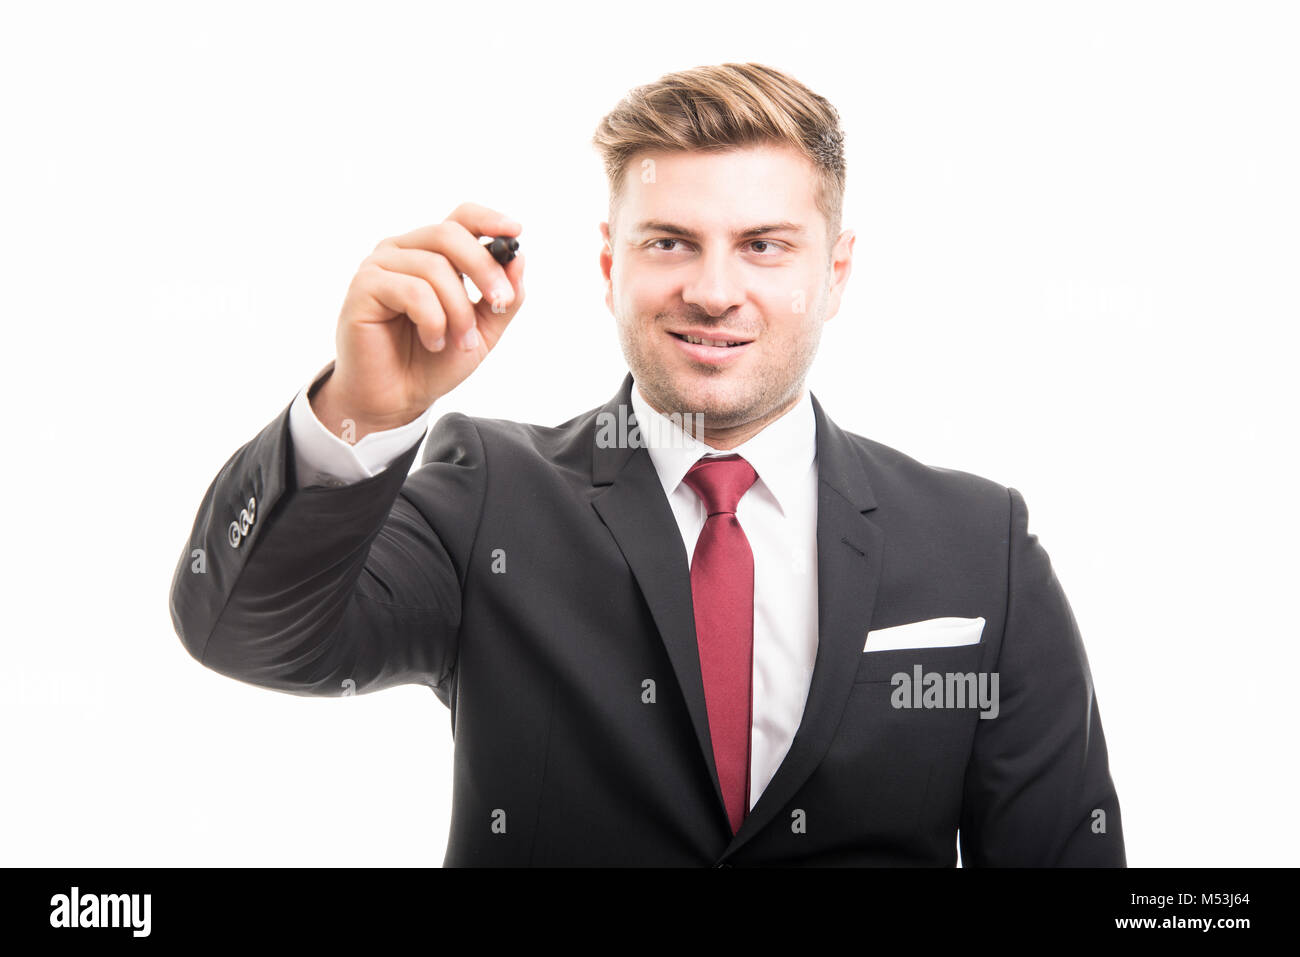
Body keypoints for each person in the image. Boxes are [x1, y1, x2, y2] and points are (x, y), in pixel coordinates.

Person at [169, 62, 1125, 867]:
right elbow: (248, 636)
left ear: (833, 274)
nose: (713, 291)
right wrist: (359, 415)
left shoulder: (977, 543)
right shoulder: (487, 492)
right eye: (670, 243)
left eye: (764, 246)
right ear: (609, 265)